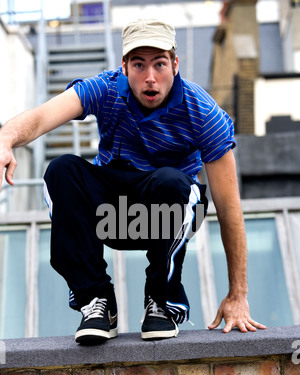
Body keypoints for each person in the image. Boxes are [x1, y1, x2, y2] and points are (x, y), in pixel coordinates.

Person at [0, 18, 266, 344]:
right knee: (61, 169)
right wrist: (6, 138)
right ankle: (96, 302)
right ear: (124, 67)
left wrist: (238, 294)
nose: (150, 78)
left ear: (175, 64)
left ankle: (160, 301)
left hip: (167, 215)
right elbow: (43, 116)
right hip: (111, 217)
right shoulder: (106, 88)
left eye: (160, 64)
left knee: (174, 181)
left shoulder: (202, 111)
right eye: (139, 65)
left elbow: (229, 208)